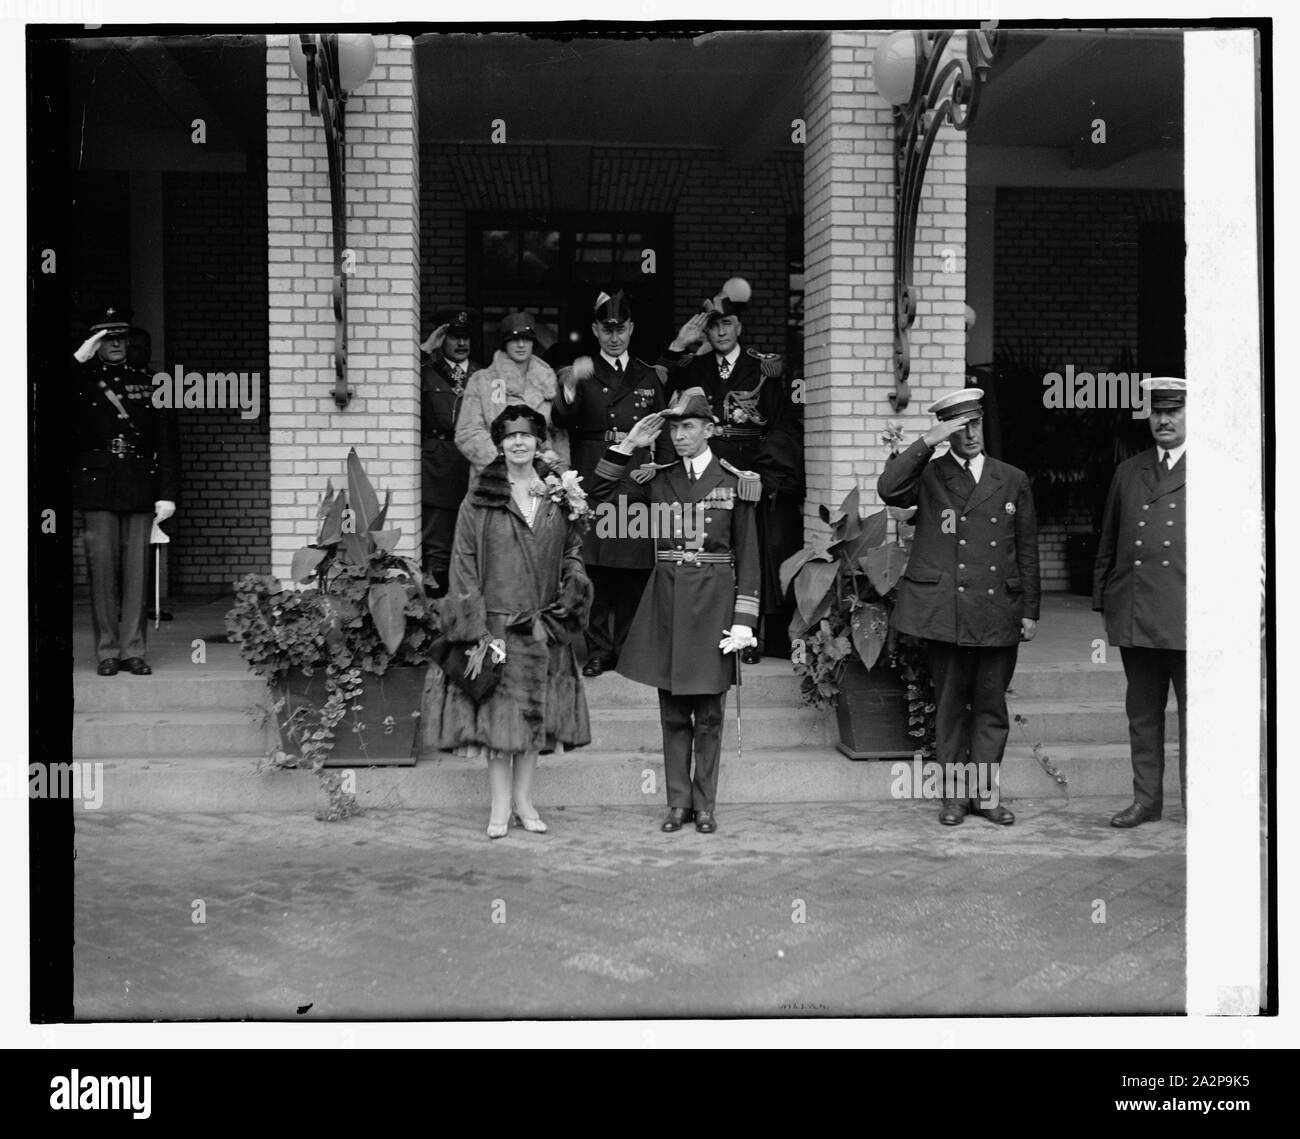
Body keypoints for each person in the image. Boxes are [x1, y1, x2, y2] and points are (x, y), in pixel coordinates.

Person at [586, 387, 760, 835]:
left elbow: (750, 556)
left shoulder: (735, 481)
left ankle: (705, 804)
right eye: (673, 428)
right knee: (672, 711)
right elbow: (601, 499)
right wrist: (626, 445)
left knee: (710, 714)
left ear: (709, 429)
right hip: (666, 601)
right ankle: (678, 803)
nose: (679, 436)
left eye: (688, 427)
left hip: (715, 605)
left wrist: (745, 619)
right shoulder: (656, 479)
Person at [424, 405, 593, 839]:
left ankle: (524, 801)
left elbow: (572, 551)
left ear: (540, 442)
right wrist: (475, 628)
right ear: (499, 443)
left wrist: (573, 588)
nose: (519, 442)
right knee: (496, 723)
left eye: (527, 435)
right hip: (496, 628)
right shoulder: (480, 497)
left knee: (534, 721)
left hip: (543, 625)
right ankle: (500, 805)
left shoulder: (557, 494)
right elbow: (462, 562)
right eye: (510, 436)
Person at [878, 387, 1041, 827]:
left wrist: (1029, 609)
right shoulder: (931, 475)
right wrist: (927, 441)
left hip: (996, 610)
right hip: (946, 611)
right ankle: (953, 797)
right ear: (947, 432)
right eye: (959, 426)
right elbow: (889, 490)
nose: (970, 433)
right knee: (950, 707)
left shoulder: (1011, 478)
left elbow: (1026, 548)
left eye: (976, 423)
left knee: (990, 706)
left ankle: (986, 797)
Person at [658, 287, 790, 664]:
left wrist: (768, 474)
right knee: (711, 554)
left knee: (753, 553)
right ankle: (711, 632)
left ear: (739, 326)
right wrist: (676, 346)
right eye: (714, 325)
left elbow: (780, 426)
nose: (720, 332)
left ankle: (754, 639)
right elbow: (656, 388)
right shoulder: (693, 368)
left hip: (748, 470)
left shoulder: (763, 367)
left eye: (727, 324)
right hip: (704, 472)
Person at [552, 290, 675, 677]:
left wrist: (664, 477)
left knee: (634, 570)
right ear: (595, 330)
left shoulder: (647, 375)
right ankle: (599, 651)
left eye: (621, 329)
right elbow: (561, 418)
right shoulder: (582, 374)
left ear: (632, 329)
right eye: (607, 330)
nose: (614, 337)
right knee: (597, 567)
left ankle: (628, 650)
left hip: (638, 477)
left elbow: (664, 433)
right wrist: (570, 384)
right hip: (596, 474)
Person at [1092, 377, 1187, 827]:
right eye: (1157, 412)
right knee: (1143, 715)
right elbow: (1108, 541)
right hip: (1136, 614)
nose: (1163, 420)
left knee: (1198, 720)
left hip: (1193, 617)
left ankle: (1199, 805)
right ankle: (1146, 801)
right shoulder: (1130, 472)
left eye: (1173, 411)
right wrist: (1105, 601)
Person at [72, 305, 179, 677]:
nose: (116, 343)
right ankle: (107, 651)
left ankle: (133, 649)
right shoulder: (80, 380)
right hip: (98, 486)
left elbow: (166, 441)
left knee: (136, 571)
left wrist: (167, 493)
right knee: (101, 571)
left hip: (138, 483)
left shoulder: (151, 382)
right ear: (96, 343)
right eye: (107, 338)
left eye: (121, 337)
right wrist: (77, 361)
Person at [454, 311, 568, 478]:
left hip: (541, 477)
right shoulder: (483, 380)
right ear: (504, 344)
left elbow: (558, 434)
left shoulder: (548, 382)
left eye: (527, 339)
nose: (521, 344)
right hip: (494, 475)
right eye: (514, 339)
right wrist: (507, 462)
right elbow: (467, 432)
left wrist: (560, 470)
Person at [419, 306, 483, 596]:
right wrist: (424, 349)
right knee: (438, 546)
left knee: (474, 544)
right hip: (438, 466)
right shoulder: (425, 372)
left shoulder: (483, 375)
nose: (461, 343)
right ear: (442, 338)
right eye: (454, 336)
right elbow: (396, 381)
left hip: (473, 466)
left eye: (466, 336)